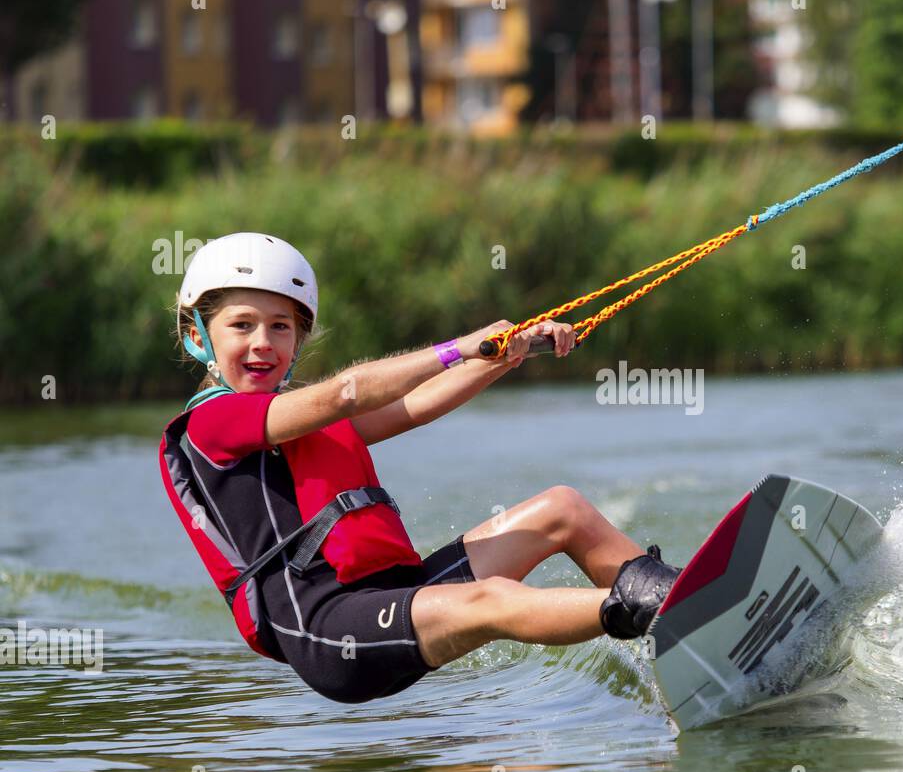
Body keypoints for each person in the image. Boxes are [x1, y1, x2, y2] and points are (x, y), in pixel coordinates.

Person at [159, 232, 681, 704]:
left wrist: (507, 354)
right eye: (241, 325)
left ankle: (682, 621)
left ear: (297, 343)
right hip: (332, 631)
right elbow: (347, 391)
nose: (262, 343)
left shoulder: (296, 422)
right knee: (494, 601)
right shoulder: (212, 424)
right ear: (197, 338)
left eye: (279, 327)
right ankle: (648, 607)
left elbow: (421, 402)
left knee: (561, 510)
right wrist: (461, 346)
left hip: (401, 595)